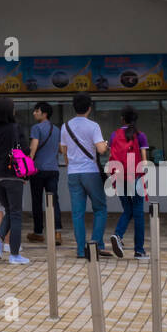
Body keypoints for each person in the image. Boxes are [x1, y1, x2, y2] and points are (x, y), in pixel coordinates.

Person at [58, 93, 111, 258]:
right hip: (91, 172)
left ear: (74, 107)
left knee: (77, 213)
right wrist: (105, 145)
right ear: (89, 107)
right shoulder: (93, 126)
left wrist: (70, 160)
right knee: (100, 208)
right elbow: (101, 149)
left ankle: (81, 250)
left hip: (73, 173)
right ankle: (96, 244)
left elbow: (63, 150)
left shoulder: (65, 126)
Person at [0, 96, 29, 264]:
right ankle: (15, 255)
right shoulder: (15, 128)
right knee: (16, 214)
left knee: (9, 210)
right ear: (11, 110)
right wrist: (23, 174)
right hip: (12, 175)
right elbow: (24, 150)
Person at [108, 106, 149, 260]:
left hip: (119, 178)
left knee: (128, 209)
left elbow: (111, 155)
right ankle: (139, 251)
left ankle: (118, 235)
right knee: (138, 212)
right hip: (136, 176)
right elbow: (144, 161)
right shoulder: (140, 136)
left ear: (122, 119)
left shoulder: (114, 135)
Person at [26, 102, 63, 244]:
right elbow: (60, 149)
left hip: (38, 170)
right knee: (54, 200)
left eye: (37, 111)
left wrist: (28, 165)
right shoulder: (56, 129)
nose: (34, 113)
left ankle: (38, 232)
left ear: (44, 113)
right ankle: (57, 233)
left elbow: (33, 148)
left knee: (37, 201)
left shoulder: (36, 128)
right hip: (53, 170)